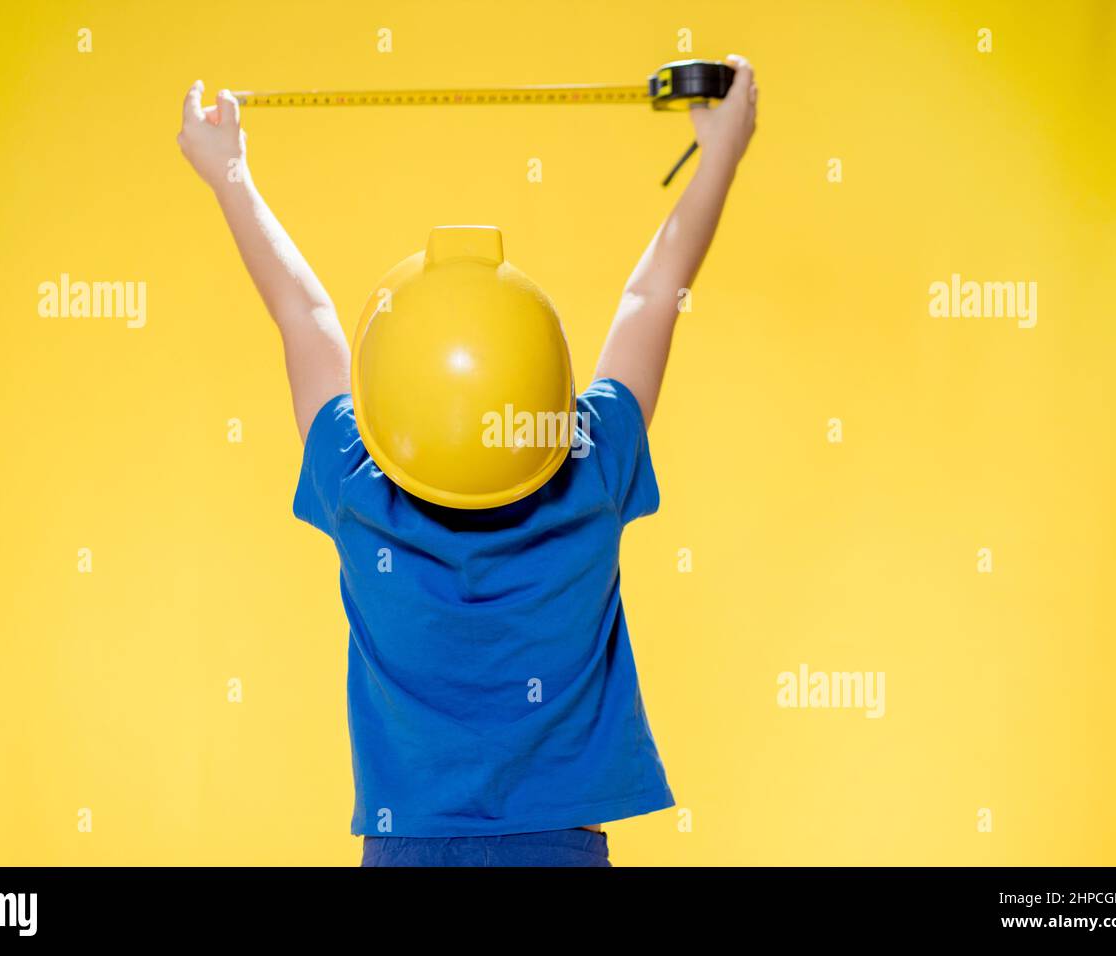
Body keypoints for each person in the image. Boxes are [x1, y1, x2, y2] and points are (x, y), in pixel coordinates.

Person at [176, 55, 758, 866]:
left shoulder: (356, 482)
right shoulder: (593, 466)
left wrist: (228, 172)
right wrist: (721, 152)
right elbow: (652, 294)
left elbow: (302, 312)